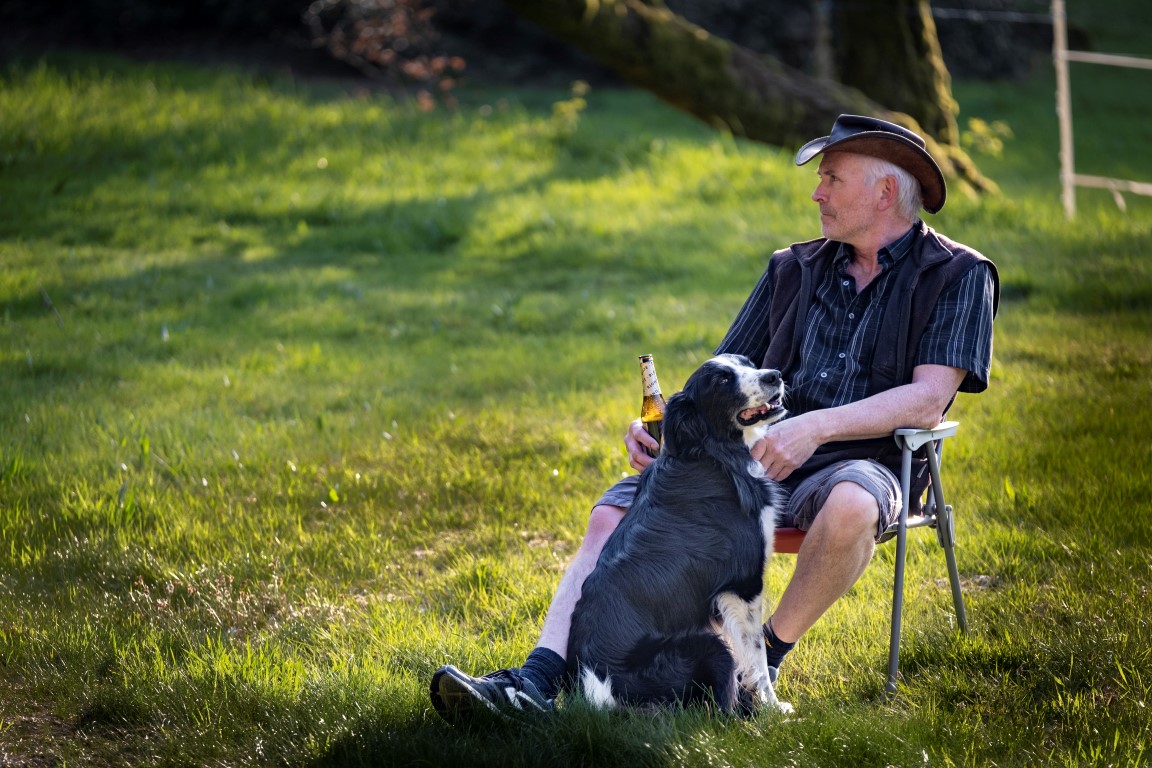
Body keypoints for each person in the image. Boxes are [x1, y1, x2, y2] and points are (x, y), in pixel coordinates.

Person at [429, 114, 999, 721]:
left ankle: (759, 671)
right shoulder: (793, 267)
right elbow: (724, 374)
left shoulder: (959, 275)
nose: (817, 193)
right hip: (747, 460)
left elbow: (926, 399)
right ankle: (537, 681)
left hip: (865, 461)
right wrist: (669, 428)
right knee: (612, 511)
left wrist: (815, 426)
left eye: (832, 178)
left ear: (884, 192)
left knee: (852, 503)